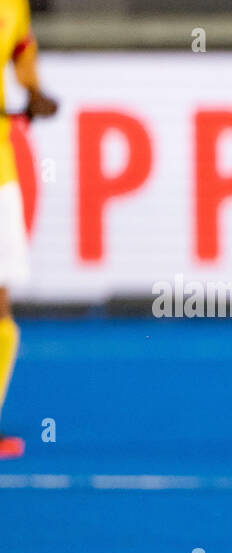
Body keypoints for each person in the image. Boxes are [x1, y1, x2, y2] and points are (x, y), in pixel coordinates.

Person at [0, 0, 57, 459]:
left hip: (1, 171)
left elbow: (22, 58)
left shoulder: (14, 7)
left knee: (1, 301)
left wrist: (34, 93)